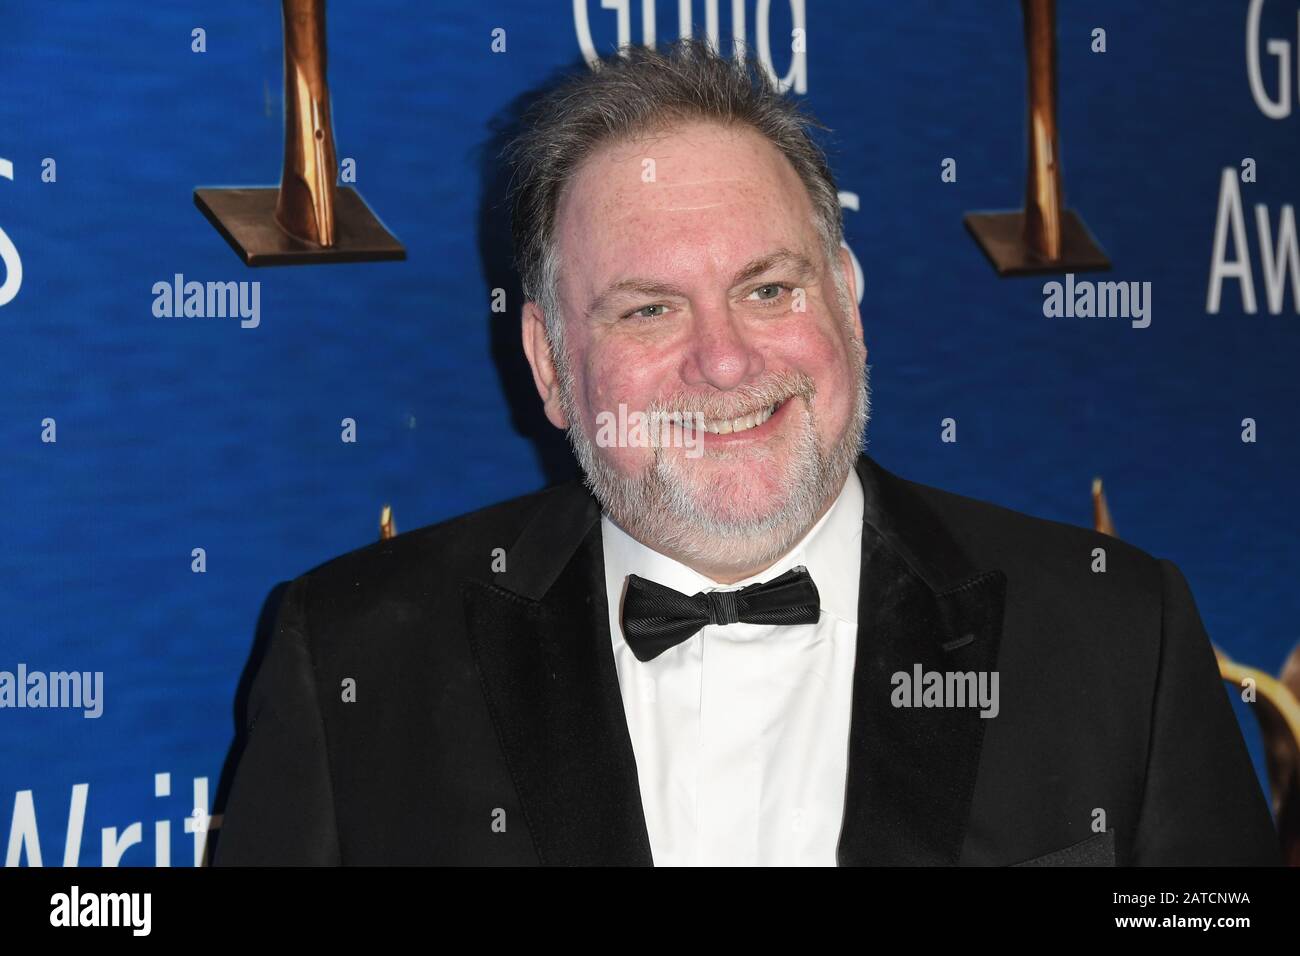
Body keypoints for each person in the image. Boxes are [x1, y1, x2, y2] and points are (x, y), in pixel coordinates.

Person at [213, 39, 1280, 866]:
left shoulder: (1115, 636)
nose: (723, 363)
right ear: (547, 361)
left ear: (848, 303)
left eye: (768, 289)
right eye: (646, 310)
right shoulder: (355, 660)